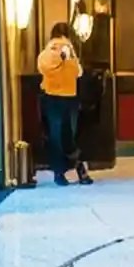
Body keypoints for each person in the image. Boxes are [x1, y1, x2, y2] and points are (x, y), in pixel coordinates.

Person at [37, 23, 92, 186]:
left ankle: (59, 173)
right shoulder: (65, 49)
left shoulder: (49, 51)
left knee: (56, 136)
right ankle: (78, 168)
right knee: (70, 135)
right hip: (69, 97)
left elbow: (43, 67)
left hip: (53, 97)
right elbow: (79, 72)